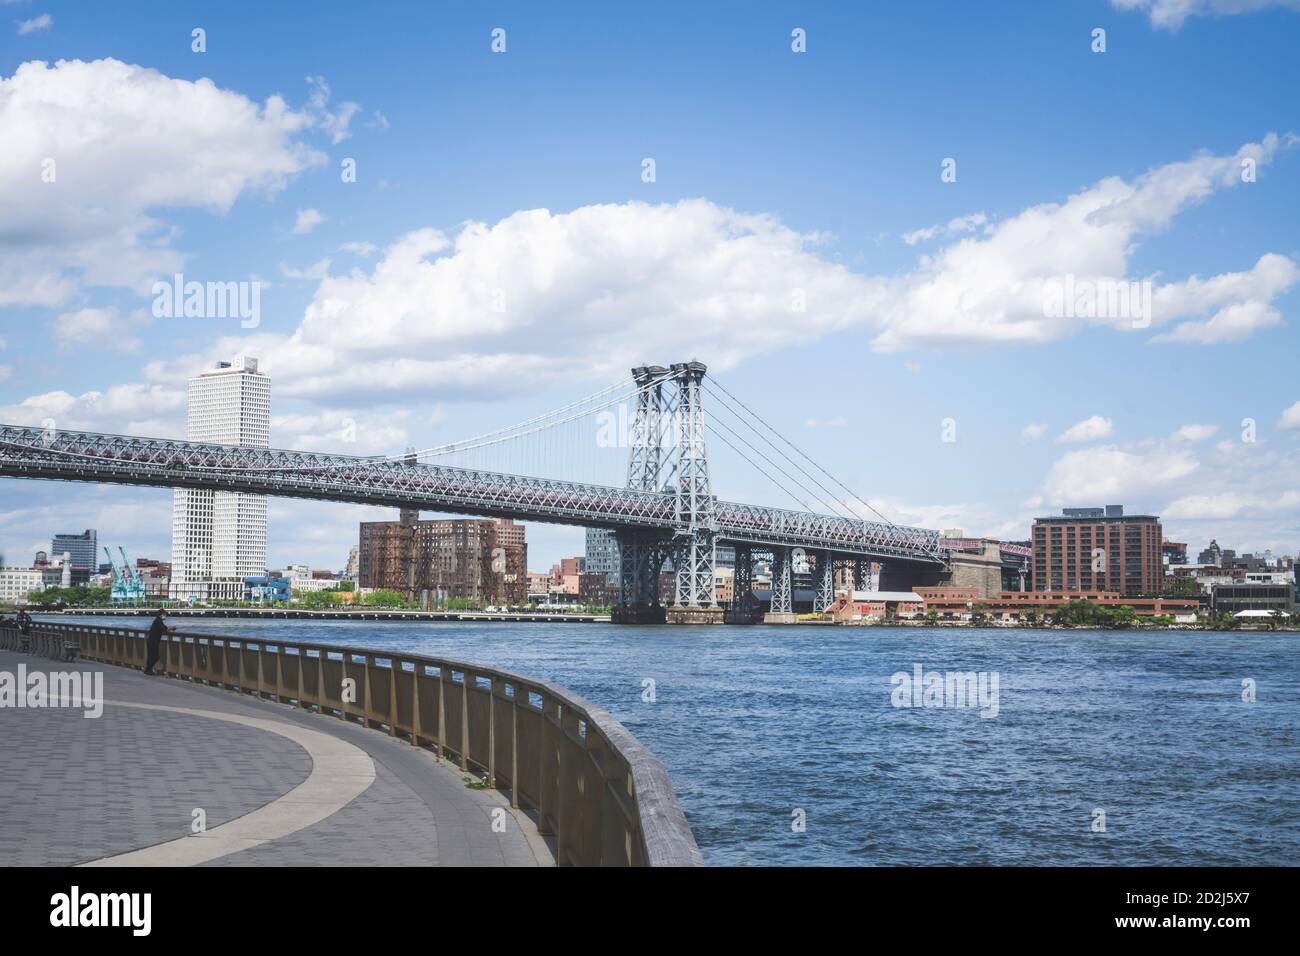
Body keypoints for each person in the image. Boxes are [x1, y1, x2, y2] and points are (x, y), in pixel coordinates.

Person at [144, 609, 174, 676]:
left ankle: (148, 670)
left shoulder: (157, 621)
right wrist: (172, 628)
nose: (165, 616)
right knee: (155, 656)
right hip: (153, 641)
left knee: (151, 656)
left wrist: (169, 629)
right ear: (161, 614)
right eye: (164, 615)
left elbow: (162, 629)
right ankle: (148, 669)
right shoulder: (158, 621)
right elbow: (164, 628)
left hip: (151, 641)